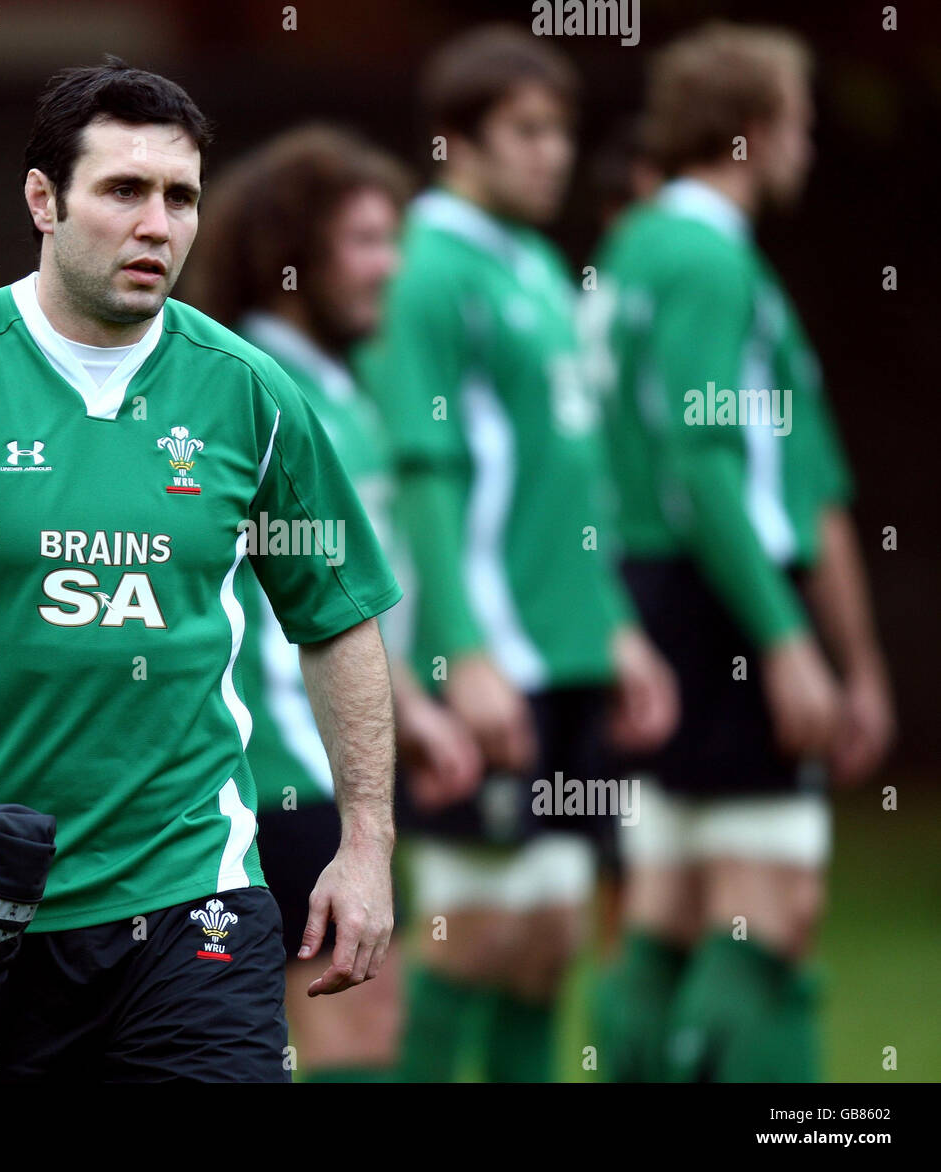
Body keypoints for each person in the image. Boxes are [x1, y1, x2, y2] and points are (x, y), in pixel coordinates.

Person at [0, 58, 403, 1083]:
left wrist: (367, 842)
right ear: (42, 200)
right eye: (123, 190)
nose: (157, 223)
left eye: (180, 196)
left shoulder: (250, 392)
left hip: (195, 894)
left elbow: (337, 617)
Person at [364, 25, 677, 1082]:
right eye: (525, 131)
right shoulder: (422, 268)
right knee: (470, 928)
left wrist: (614, 625)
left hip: (569, 647)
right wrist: (462, 648)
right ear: (456, 142)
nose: (552, 152)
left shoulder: (540, 267)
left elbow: (564, 483)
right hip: (490, 653)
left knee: (547, 940)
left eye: (562, 130)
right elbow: (426, 469)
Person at [586, 23, 895, 1082]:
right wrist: (785, 638)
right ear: (755, 133)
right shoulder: (708, 256)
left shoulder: (632, 247)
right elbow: (704, 459)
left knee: (670, 906)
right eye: (800, 122)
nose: (806, 145)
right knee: (771, 908)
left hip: (646, 590)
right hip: (716, 591)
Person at [185, 125, 482, 1082]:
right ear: (292, 261)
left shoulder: (324, 389)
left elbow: (341, 597)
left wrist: (417, 713)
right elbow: (314, 609)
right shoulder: (272, 391)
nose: (391, 267)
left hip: (298, 756)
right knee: (356, 1028)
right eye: (363, 242)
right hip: (285, 760)